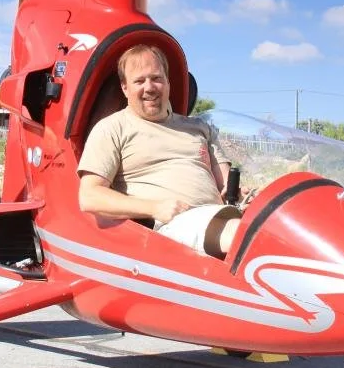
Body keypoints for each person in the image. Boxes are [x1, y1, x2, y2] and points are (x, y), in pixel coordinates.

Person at [78, 44, 243, 258]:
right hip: (172, 227)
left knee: (270, 226)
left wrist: (242, 194)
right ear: (125, 88)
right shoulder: (112, 128)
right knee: (249, 237)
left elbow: (227, 185)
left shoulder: (199, 127)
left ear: (167, 82)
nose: (149, 88)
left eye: (156, 78)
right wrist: (154, 208)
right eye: (139, 81)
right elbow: (90, 196)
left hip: (220, 217)